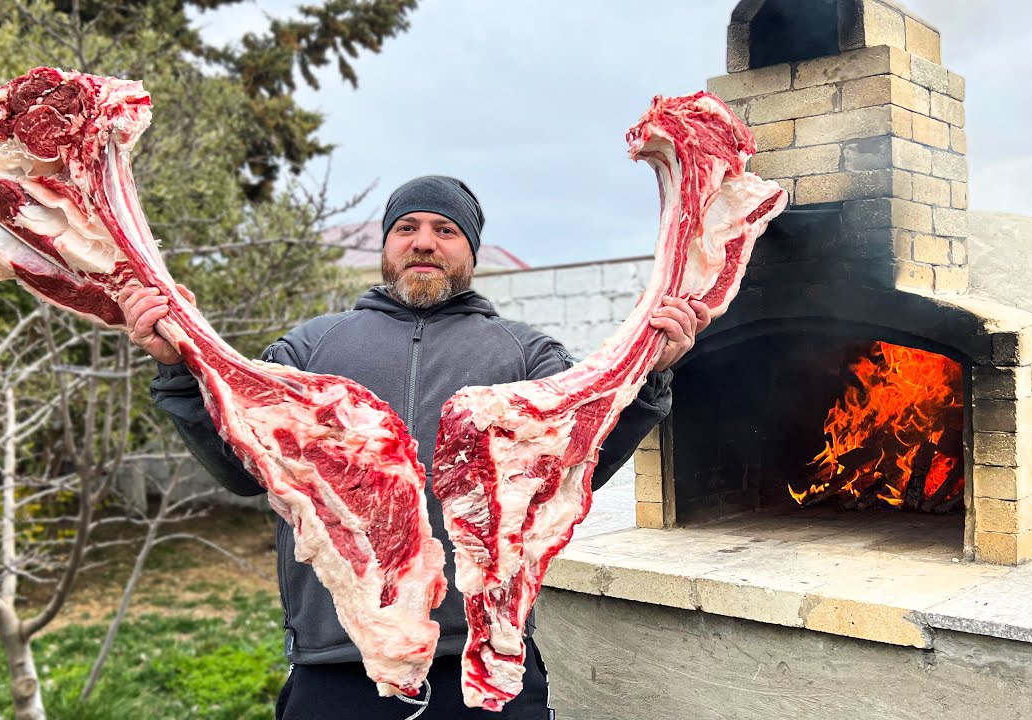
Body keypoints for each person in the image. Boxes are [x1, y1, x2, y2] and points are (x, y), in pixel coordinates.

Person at [119, 176, 710, 719]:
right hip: (337, 666)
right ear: (386, 246)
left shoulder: (526, 356)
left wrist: (649, 377)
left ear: (471, 252)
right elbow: (244, 471)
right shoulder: (310, 348)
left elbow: (575, 471)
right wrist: (180, 375)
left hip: (483, 661)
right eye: (408, 228)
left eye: (445, 231)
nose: (424, 242)